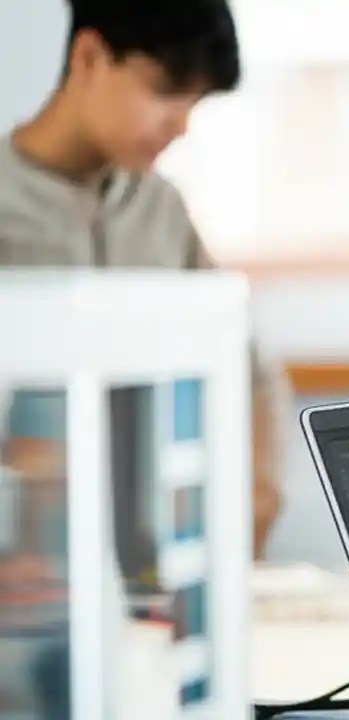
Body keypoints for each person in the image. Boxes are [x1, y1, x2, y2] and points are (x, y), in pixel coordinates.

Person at [0, 0, 281, 557]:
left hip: (153, 566)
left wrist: (256, 492)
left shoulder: (162, 208)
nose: (180, 124)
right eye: (164, 90)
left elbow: (247, 363)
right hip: (27, 573)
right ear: (89, 56)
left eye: (194, 102)